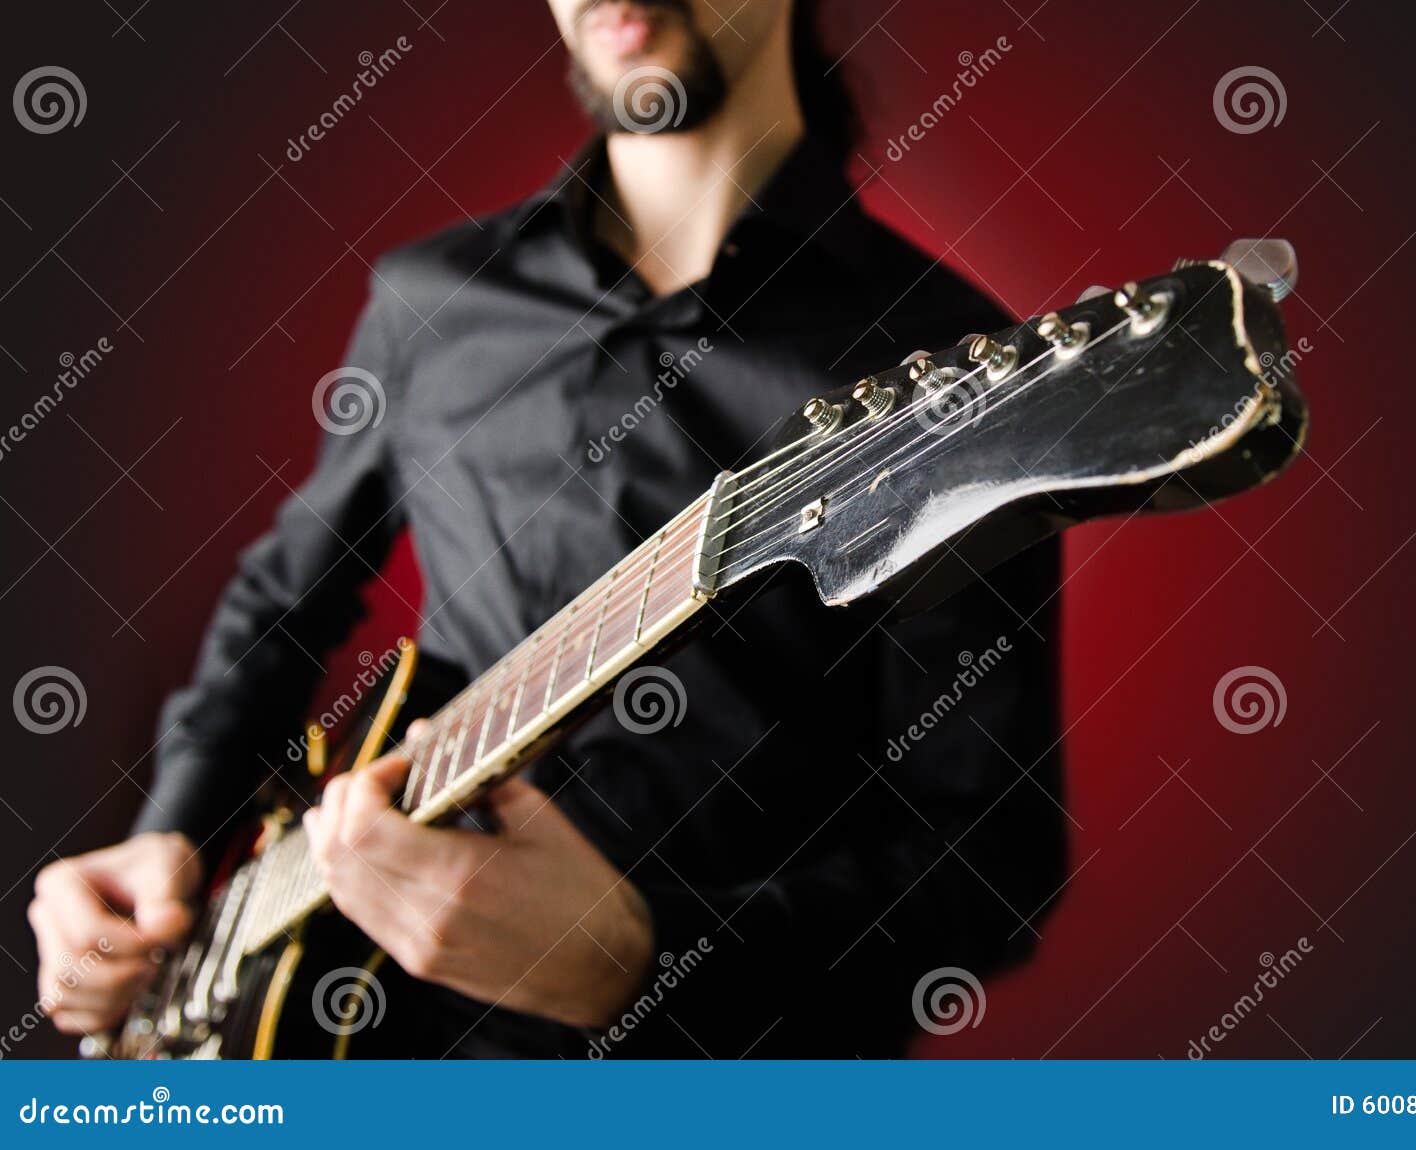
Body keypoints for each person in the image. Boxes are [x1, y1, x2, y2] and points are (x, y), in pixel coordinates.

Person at [29, 0, 1065, 1056]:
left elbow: (986, 855)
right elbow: (280, 606)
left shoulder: (945, 366)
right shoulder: (431, 299)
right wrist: (169, 831)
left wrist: (638, 961)